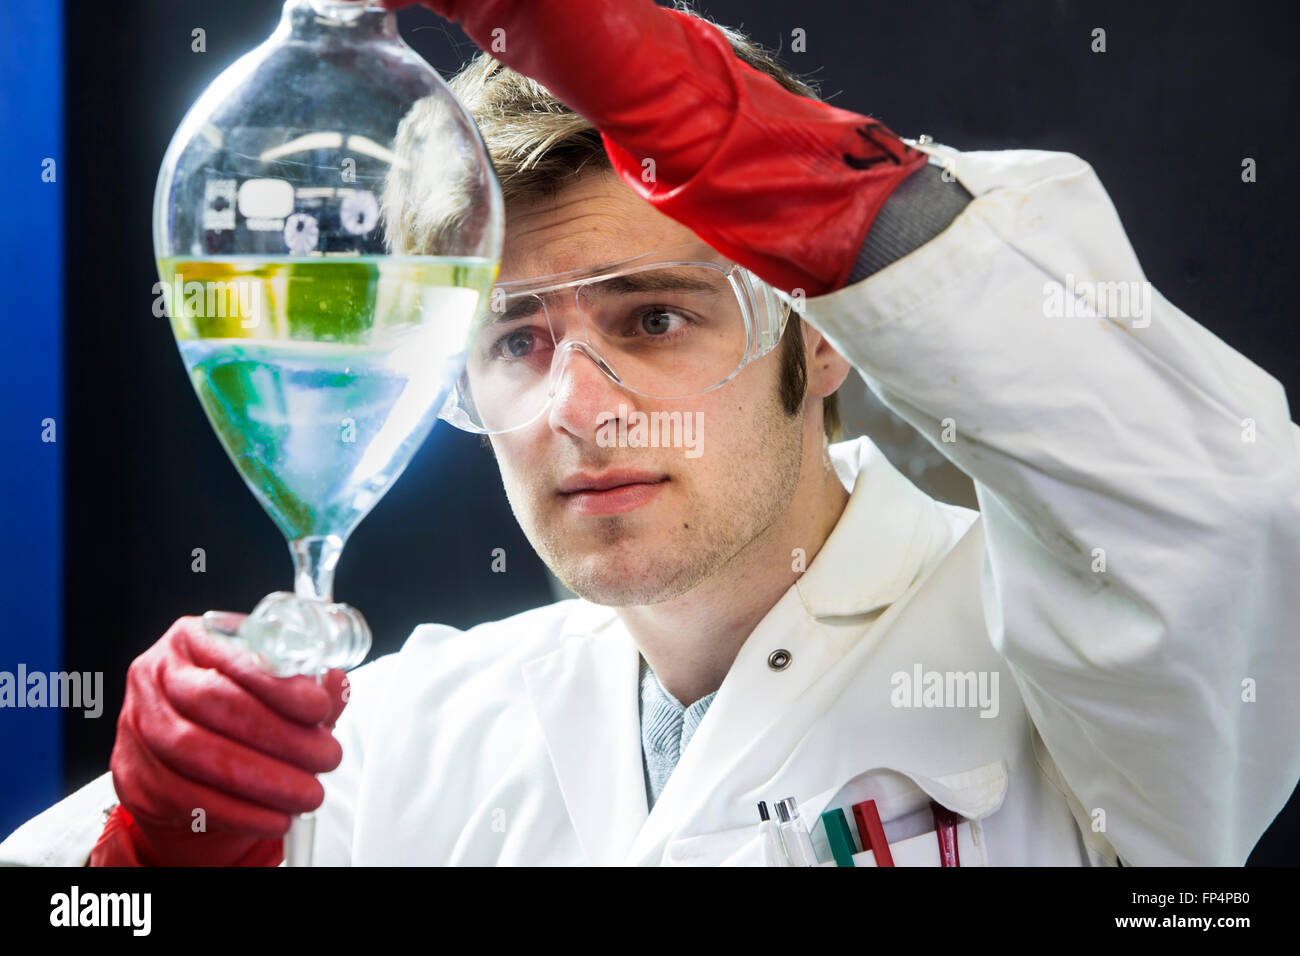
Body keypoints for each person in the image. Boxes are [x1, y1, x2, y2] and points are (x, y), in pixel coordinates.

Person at [4, 0, 1298, 866]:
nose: (576, 404)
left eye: (659, 318)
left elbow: (1225, 515)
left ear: (827, 331)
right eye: (515, 339)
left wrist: (793, 177)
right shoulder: (399, 739)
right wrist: (144, 863)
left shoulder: (1065, 672)